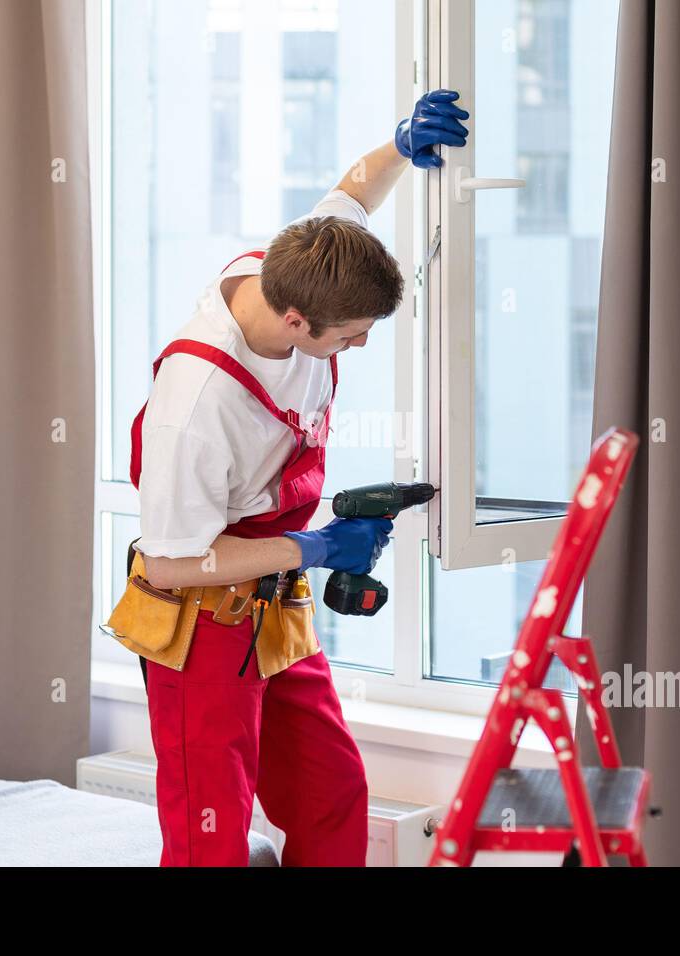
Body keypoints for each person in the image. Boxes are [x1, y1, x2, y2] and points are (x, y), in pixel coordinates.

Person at [125, 90, 470, 866]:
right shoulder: (199, 398)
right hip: (199, 620)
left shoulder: (303, 264)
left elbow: (351, 196)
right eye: (350, 338)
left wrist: (398, 146)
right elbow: (175, 562)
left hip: (272, 598)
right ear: (294, 324)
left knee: (330, 788)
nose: (358, 349)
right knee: (211, 826)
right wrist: (313, 551)